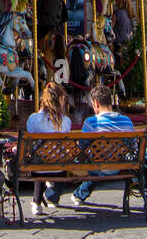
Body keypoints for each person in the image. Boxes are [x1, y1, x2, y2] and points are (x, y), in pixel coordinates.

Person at [72, 85, 134, 207]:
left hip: (98, 165)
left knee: (88, 159)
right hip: (120, 164)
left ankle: (77, 193)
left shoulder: (90, 123)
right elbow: (132, 145)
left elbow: (83, 147)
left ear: (95, 103)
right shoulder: (126, 121)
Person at [24, 80, 72, 217]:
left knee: (38, 157)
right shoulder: (66, 121)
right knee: (49, 157)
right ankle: (42, 197)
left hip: (39, 166)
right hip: (59, 167)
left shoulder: (34, 119)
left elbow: (30, 139)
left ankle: (37, 202)